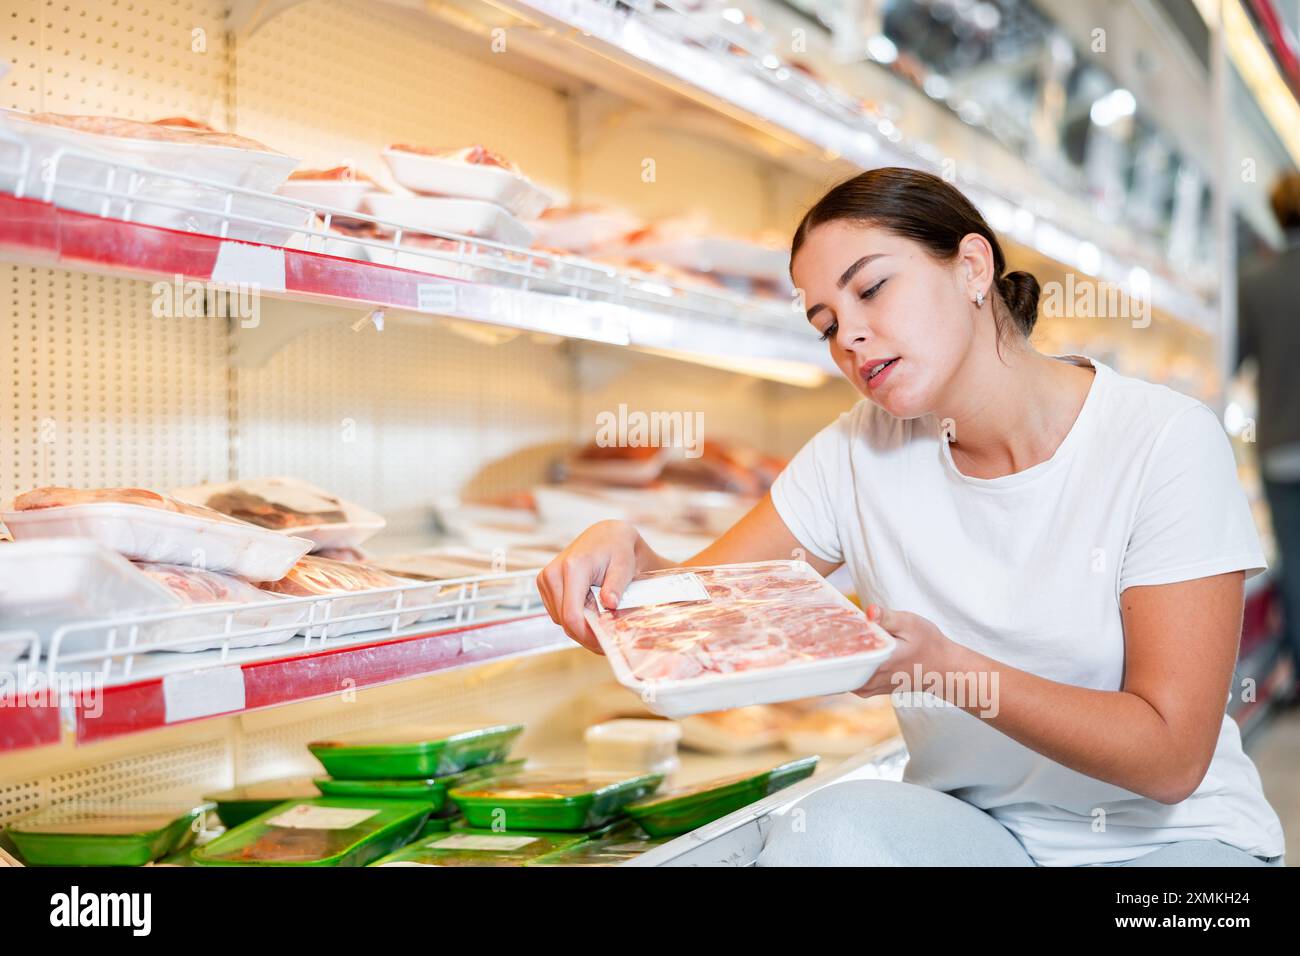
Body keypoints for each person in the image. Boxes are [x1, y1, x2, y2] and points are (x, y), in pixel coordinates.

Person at [537, 167, 1286, 867]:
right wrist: (627, 563)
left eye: (873, 290)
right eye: (826, 323)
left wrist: (944, 667)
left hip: (1177, 848)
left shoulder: (1161, 439)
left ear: (971, 268)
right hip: (985, 837)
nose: (850, 338)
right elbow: (695, 617)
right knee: (818, 836)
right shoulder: (855, 454)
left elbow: (1170, 758)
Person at [1238, 171, 1300, 706]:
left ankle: (1298, 671)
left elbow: (1233, 358)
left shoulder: (1256, 280)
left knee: (1294, 558)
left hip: (1281, 444)